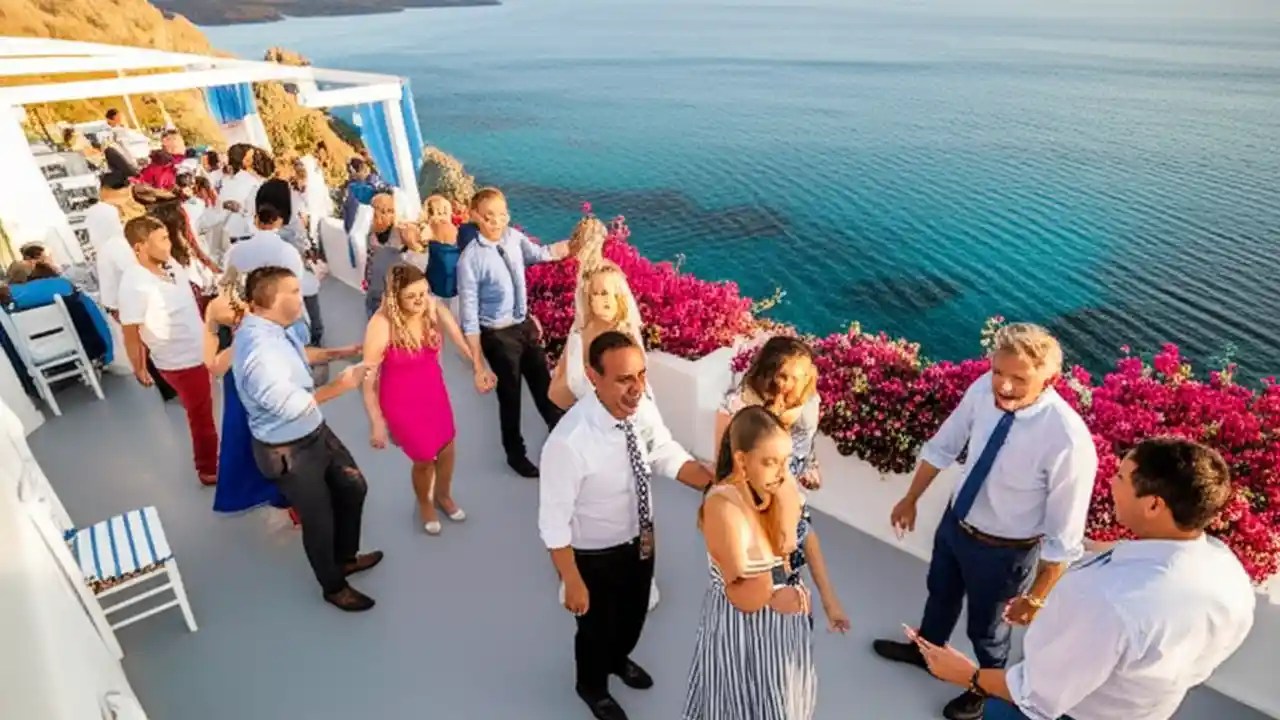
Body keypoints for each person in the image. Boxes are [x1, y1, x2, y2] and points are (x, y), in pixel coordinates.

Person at [912, 437, 1256, 720]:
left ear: (1153, 505)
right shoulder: (1227, 571)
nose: (1110, 482)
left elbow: (1038, 696)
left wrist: (965, 674)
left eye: (1121, 477)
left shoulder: (1109, 602)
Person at [872, 323, 1098, 720]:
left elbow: (1064, 538)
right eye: (998, 372)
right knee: (939, 594)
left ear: (1051, 379)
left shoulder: (1068, 440)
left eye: (1019, 378)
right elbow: (944, 445)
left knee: (988, 631)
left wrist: (1037, 597)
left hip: (1004, 552)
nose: (1004, 386)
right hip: (955, 525)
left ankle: (981, 693)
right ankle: (926, 650)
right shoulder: (983, 388)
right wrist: (911, 499)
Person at [539, 330, 713, 720]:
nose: (637, 388)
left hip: (642, 540)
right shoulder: (568, 443)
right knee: (594, 628)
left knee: (634, 616)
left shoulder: (641, 407)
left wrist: (709, 481)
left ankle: (618, 659)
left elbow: (662, 450)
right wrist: (572, 579)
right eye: (623, 379)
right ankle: (592, 685)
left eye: (641, 375)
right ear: (593, 377)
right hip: (594, 555)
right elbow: (553, 522)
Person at [231, 265, 380, 612]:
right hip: (289, 449)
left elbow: (299, 354)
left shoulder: (276, 329)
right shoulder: (259, 353)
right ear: (271, 298)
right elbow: (288, 404)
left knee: (353, 486)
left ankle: (345, 557)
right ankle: (333, 586)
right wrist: (340, 386)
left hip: (313, 431)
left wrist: (339, 352)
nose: (303, 296)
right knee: (319, 519)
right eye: (295, 292)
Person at [683, 406, 818, 720]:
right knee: (742, 701)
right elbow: (739, 589)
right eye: (770, 462)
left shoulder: (773, 488)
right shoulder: (723, 506)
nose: (782, 472)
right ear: (742, 460)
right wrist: (777, 596)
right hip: (743, 627)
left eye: (785, 461)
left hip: (778, 623)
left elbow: (785, 548)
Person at [361, 263, 495, 534]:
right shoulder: (381, 323)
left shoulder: (432, 308)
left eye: (423, 293)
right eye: (412, 296)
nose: (420, 301)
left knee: (447, 448)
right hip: (401, 401)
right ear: (395, 297)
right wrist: (376, 421)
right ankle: (425, 503)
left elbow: (459, 340)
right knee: (423, 458)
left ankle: (443, 495)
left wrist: (479, 368)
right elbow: (368, 376)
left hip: (433, 392)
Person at [458, 187, 582, 478]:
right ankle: (516, 455)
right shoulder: (470, 260)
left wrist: (574, 246)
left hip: (524, 326)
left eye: (502, 214)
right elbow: (469, 317)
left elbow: (540, 254)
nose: (497, 222)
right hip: (497, 337)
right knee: (510, 398)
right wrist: (478, 366)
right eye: (490, 217)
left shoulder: (513, 238)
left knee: (545, 390)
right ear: (476, 216)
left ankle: (566, 446)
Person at [118, 216, 218, 486]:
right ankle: (208, 468)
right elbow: (130, 332)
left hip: (201, 348)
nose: (168, 244)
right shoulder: (134, 283)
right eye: (161, 240)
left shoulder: (169, 265)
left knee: (206, 408)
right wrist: (138, 367)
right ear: (140, 246)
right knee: (200, 414)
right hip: (179, 359)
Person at [718, 336, 823, 490]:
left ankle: (806, 464)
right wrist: (776, 422)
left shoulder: (808, 394)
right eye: (788, 377)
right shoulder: (745, 403)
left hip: (796, 454)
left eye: (804, 374)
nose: (803, 379)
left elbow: (808, 433)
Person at [363, 192, 416, 318]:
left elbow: (416, 248)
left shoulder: (401, 232)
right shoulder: (370, 231)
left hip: (393, 291)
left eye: (389, 211)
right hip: (376, 289)